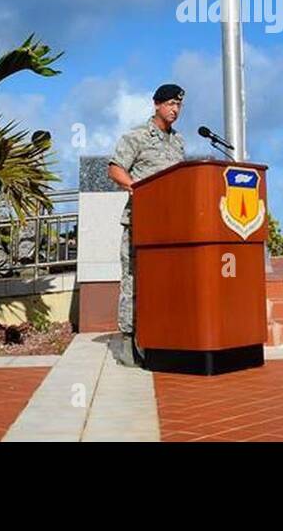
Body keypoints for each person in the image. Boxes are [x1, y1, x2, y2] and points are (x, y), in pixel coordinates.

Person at [107, 83, 186, 366]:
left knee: (164, 284)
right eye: (170, 104)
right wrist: (134, 186)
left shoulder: (178, 142)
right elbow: (114, 168)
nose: (175, 110)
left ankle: (161, 338)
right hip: (140, 223)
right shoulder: (137, 136)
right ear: (156, 104)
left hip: (170, 227)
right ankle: (128, 341)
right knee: (134, 281)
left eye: (179, 106)